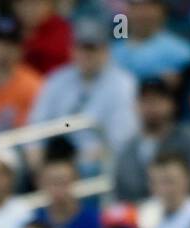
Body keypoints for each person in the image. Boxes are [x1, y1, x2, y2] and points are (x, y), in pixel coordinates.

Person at [25, 16, 139, 166]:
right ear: (72, 49)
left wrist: (96, 155)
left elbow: (122, 136)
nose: (86, 54)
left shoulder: (123, 83)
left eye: (92, 48)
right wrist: (35, 150)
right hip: (58, 160)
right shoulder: (57, 79)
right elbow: (37, 122)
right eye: (81, 47)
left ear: (105, 50)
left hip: (101, 161)